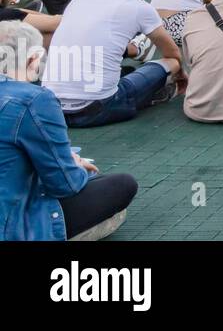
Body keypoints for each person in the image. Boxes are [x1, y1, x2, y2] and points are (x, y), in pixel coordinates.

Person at [0, 20, 139, 240]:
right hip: (12, 224)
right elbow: (65, 184)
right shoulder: (33, 99)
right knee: (121, 184)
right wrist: (73, 164)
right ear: (32, 58)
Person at [44, 0, 185, 127]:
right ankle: (152, 91)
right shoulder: (139, 7)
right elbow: (172, 52)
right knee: (171, 63)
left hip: (53, 108)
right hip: (98, 108)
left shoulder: (80, 0)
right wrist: (181, 74)